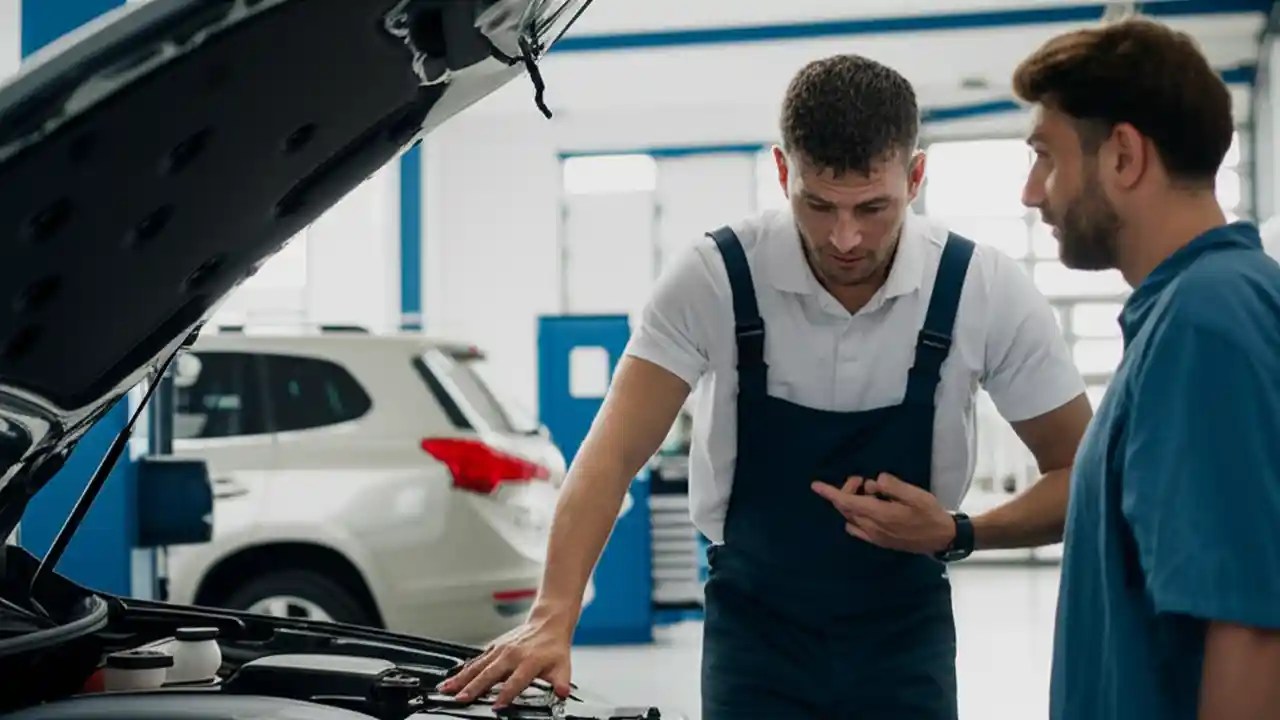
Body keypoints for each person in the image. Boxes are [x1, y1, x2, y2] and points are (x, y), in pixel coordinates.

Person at [438, 54, 1092, 718]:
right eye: (818, 204)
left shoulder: (983, 290)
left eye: (873, 207)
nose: (845, 237)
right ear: (783, 171)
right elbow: (609, 458)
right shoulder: (715, 277)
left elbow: (1082, 472)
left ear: (916, 176)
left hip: (905, 634)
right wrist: (555, 611)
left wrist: (958, 531)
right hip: (755, 636)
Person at [1012, 16, 1280, 720]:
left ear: (1124, 156)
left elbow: (1251, 629)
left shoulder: (1207, 319)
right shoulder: (1194, 309)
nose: (1032, 192)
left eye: (1047, 156)